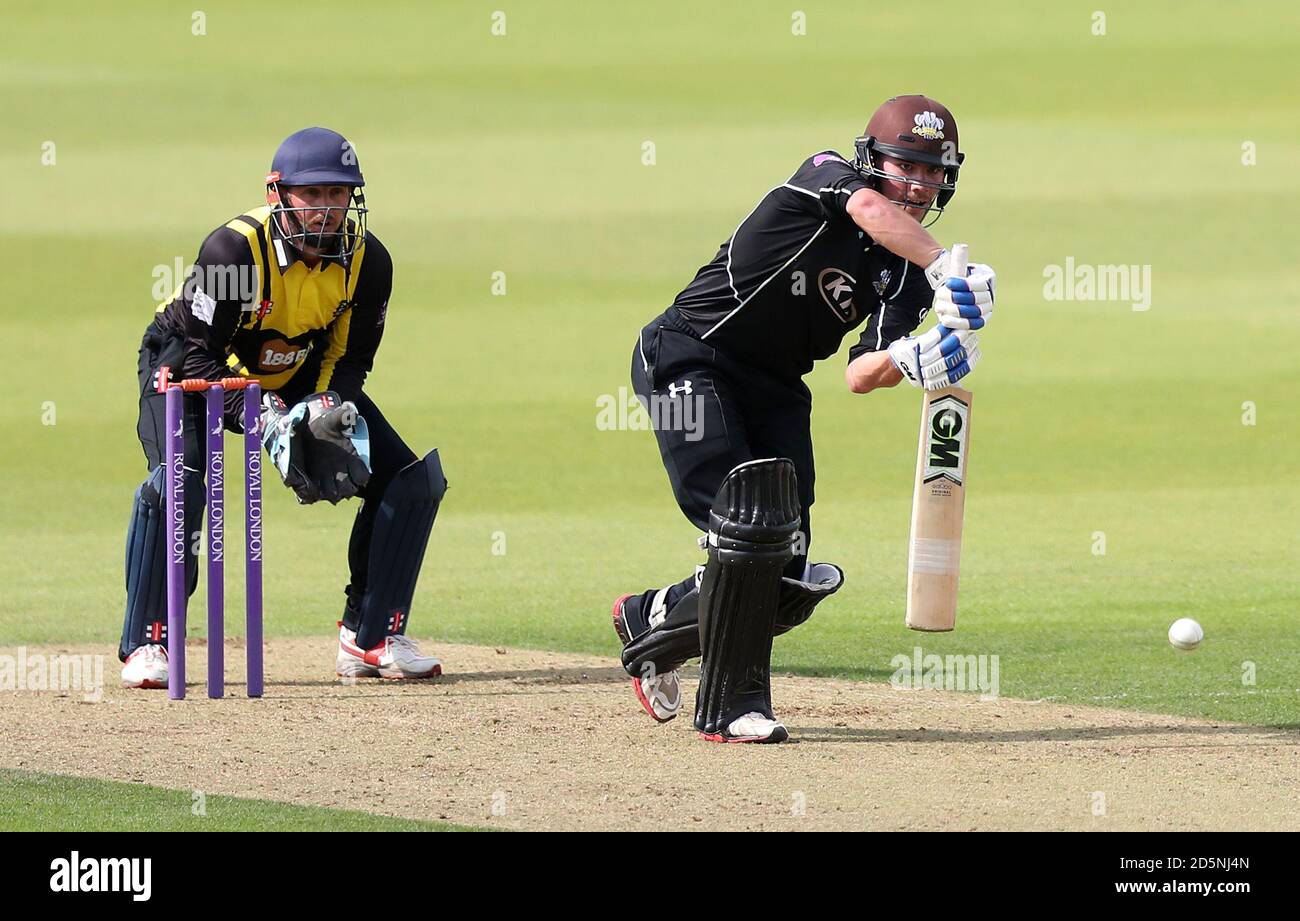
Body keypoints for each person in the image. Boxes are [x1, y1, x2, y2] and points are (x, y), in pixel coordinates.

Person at [611, 95, 996, 742]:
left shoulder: (906, 274)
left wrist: (911, 356)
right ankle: (731, 708)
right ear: (872, 161)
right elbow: (870, 211)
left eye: (934, 172)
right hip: (691, 356)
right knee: (748, 526)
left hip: (776, 389)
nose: (922, 183)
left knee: (786, 574)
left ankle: (651, 616)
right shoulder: (824, 177)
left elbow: (859, 372)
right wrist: (945, 265)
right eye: (909, 165)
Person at [120, 127, 447, 691]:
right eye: (312, 194)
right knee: (182, 481)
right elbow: (200, 357)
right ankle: (149, 640)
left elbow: (349, 361)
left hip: (293, 373)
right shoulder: (233, 250)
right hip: (187, 369)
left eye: (338, 194)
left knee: (409, 479)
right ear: (279, 194)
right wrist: (267, 416)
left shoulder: (370, 262)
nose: (326, 209)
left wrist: (324, 405)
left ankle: (369, 636)